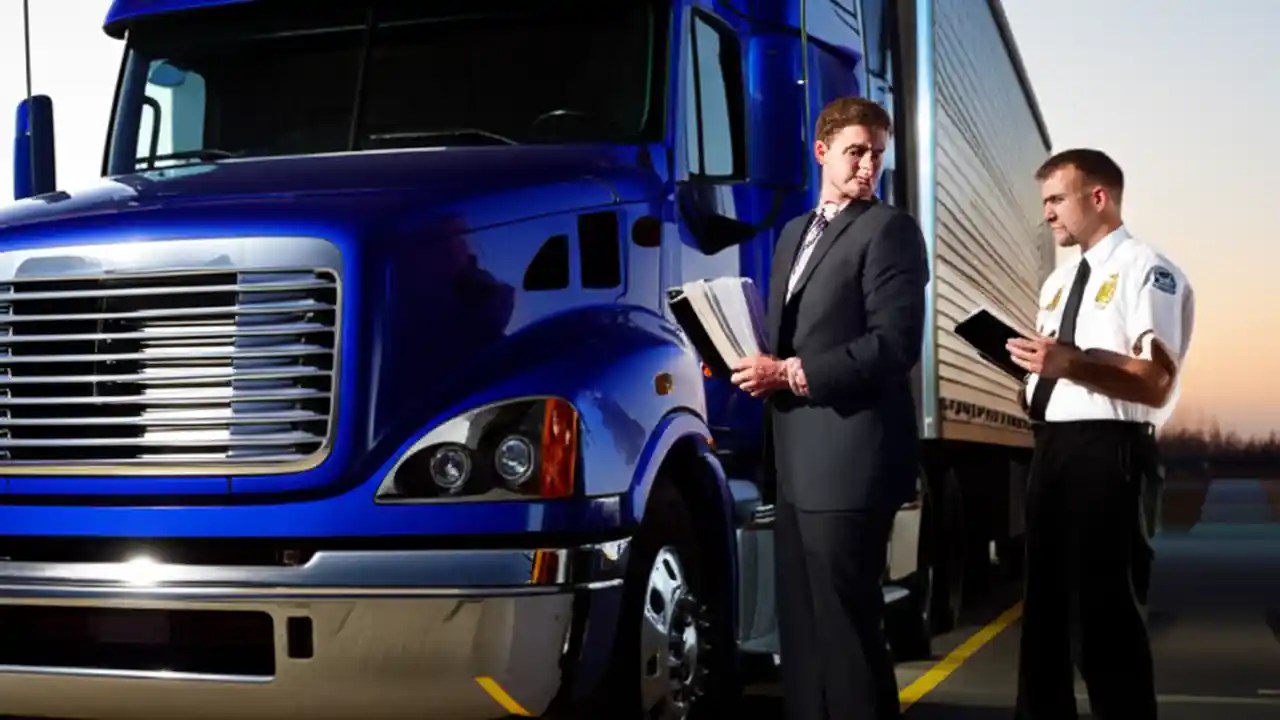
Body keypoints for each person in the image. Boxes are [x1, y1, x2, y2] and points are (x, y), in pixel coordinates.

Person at [729, 96, 929, 720]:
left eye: (877, 154)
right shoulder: (794, 233)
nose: (868, 166)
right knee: (803, 638)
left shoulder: (890, 230)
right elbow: (796, 334)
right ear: (821, 151)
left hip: (851, 462)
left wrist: (789, 373)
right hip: (793, 462)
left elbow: (894, 345)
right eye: (856, 152)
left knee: (846, 631)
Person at [1006, 148, 1195, 720]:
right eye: (1044, 202)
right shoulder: (1057, 283)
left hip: (1110, 453)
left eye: (1057, 200)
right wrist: (1036, 378)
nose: (1047, 214)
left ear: (1098, 197)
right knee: (1043, 627)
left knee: (1105, 623)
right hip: (1052, 449)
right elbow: (1062, 367)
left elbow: (1156, 382)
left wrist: (1071, 365)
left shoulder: (1147, 269)